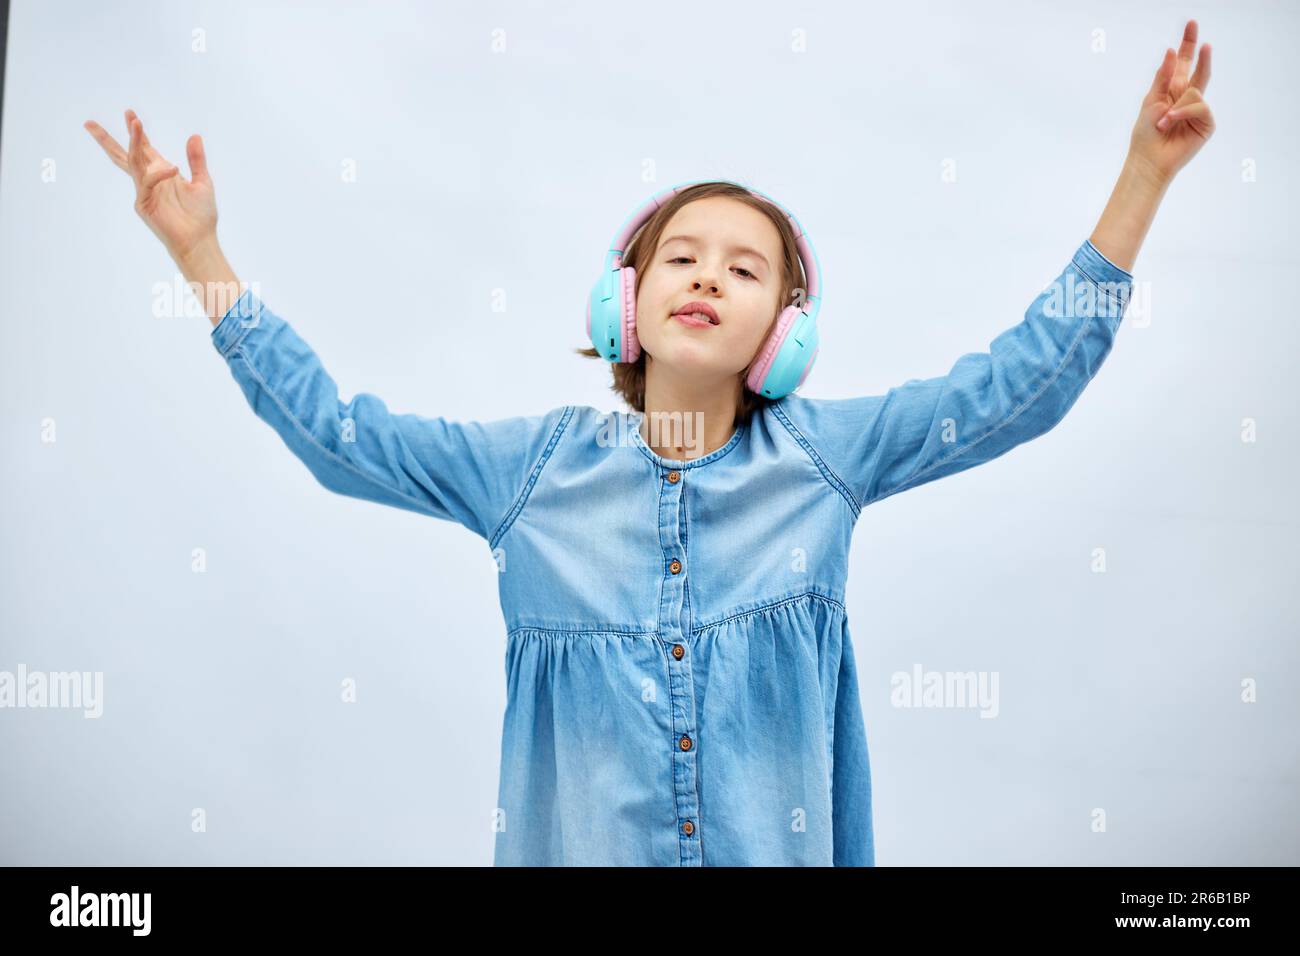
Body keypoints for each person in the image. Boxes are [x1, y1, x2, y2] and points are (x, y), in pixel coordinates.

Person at [84, 20, 1214, 866]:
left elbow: (1023, 384)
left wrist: (1142, 175)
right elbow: (337, 436)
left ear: (784, 333)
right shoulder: (530, 476)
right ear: (622, 303)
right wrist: (202, 256)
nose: (709, 275)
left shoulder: (828, 463)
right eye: (683, 255)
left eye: (744, 265)